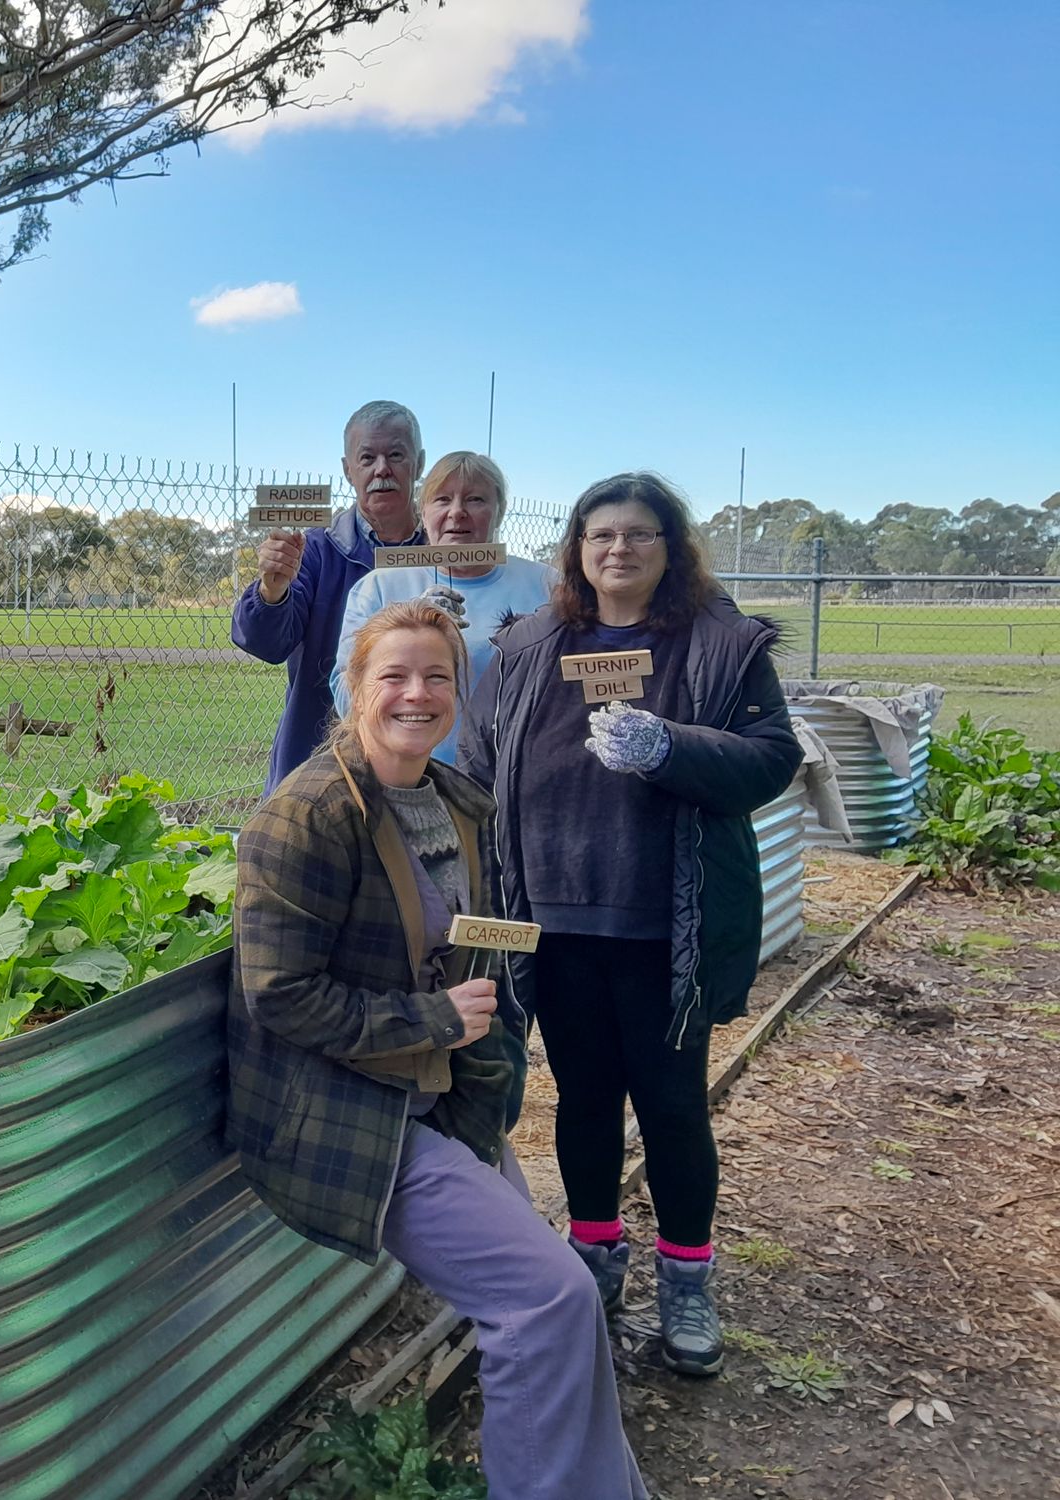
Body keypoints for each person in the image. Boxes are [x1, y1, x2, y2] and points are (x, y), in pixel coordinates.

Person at [227, 599, 649, 1500]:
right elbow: (279, 996)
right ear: (353, 688)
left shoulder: (457, 802)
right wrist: (434, 1022)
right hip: (348, 1115)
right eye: (394, 676)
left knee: (561, 1298)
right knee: (548, 1299)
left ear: (460, 690)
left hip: (438, 1098)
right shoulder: (306, 816)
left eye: (437, 676)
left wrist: (482, 1050)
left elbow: (477, 947)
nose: (416, 694)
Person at [461, 472, 802, 1378]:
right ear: (577, 548)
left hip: (666, 925)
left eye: (640, 534)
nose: (618, 549)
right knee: (582, 1096)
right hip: (554, 919)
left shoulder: (718, 644)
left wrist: (669, 745)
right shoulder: (531, 643)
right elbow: (480, 761)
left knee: (672, 1103)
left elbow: (773, 757)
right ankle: (594, 1254)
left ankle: (686, 1280)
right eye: (601, 534)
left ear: (670, 546)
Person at [232, 400, 427, 792]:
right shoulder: (315, 551)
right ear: (347, 469)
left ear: (419, 464)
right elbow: (266, 644)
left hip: (420, 769)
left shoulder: (443, 556)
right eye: (367, 458)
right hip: (319, 769)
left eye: (396, 455)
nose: (382, 469)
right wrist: (272, 589)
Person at [330, 452, 556, 763]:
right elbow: (346, 694)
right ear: (423, 513)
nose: (457, 512)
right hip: (409, 773)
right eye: (442, 499)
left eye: (475, 499)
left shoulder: (546, 584)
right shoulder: (378, 587)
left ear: (499, 512)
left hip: (514, 773)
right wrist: (408, 632)